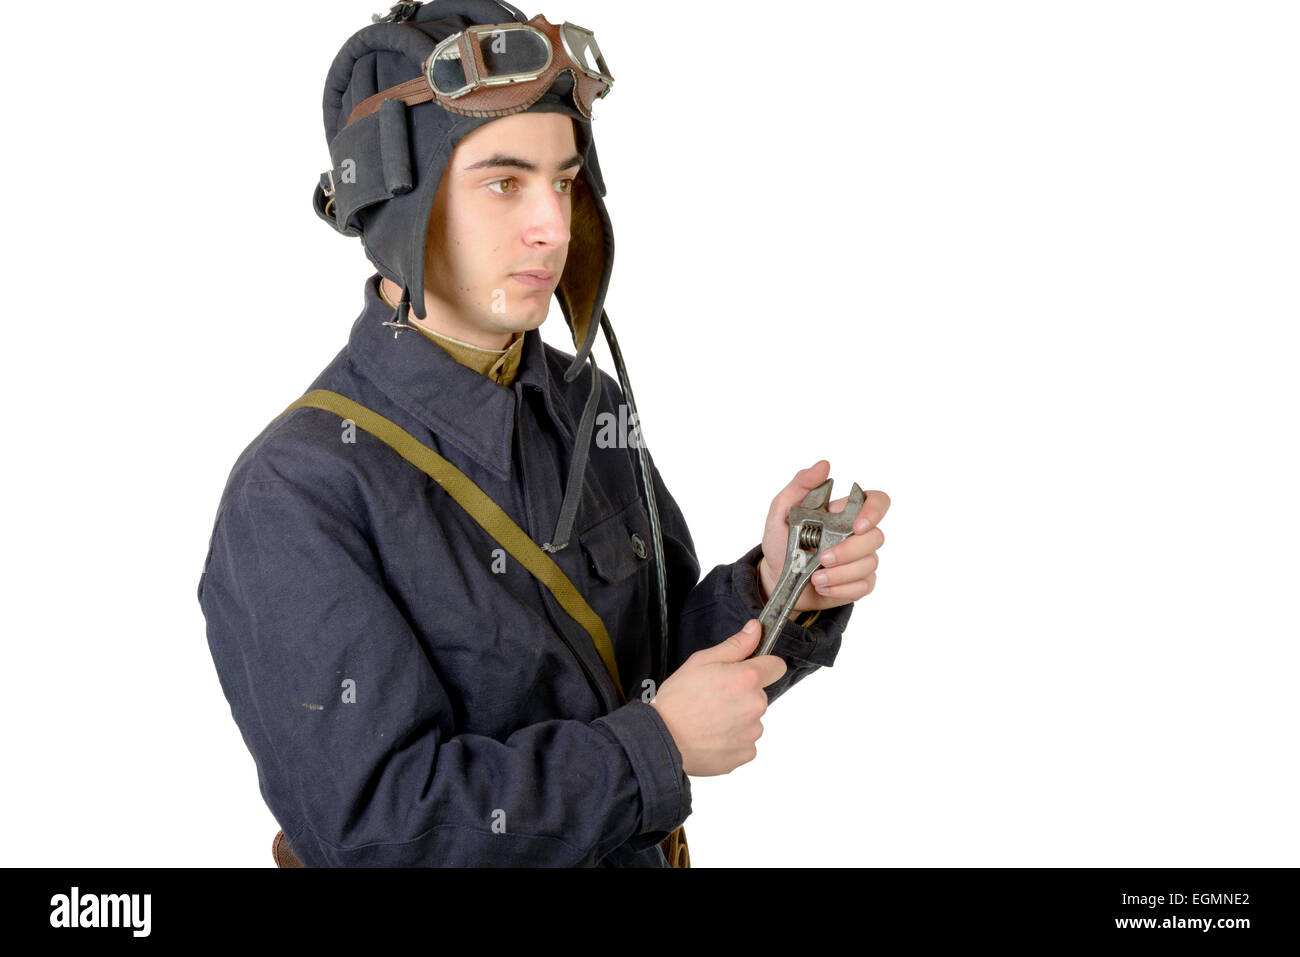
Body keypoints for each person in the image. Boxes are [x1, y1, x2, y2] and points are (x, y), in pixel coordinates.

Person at [196, 0, 889, 867]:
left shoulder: (584, 400)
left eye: (563, 181)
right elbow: (377, 831)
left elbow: (656, 672)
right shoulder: (295, 493)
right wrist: (657, 752)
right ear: (396, 201)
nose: (553, 227)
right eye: (503, 182)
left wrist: (777, 589)